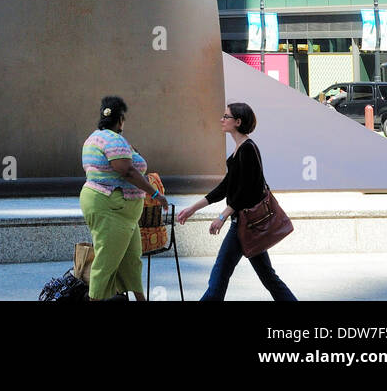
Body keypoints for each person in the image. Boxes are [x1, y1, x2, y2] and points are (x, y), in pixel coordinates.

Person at [178, 102, 297, 302]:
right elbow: (225, 188)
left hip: (243, 223)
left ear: (238, 122)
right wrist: (192, 209)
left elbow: (246, 192)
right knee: (267, 277)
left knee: (219, 276)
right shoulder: (239, 150)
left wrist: (221, 216)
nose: (222, 120)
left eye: (226, 116)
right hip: (246, 224)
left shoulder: (248, 149)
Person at [80, 95, 165, 302]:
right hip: (111, 207)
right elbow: (127, 171)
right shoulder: (113, 140)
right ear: (120, 120)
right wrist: (155, 194)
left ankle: (140, 299)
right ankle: (95, 299)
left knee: (131, 260)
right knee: (107, 260)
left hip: (122, 213)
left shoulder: (96, 138)